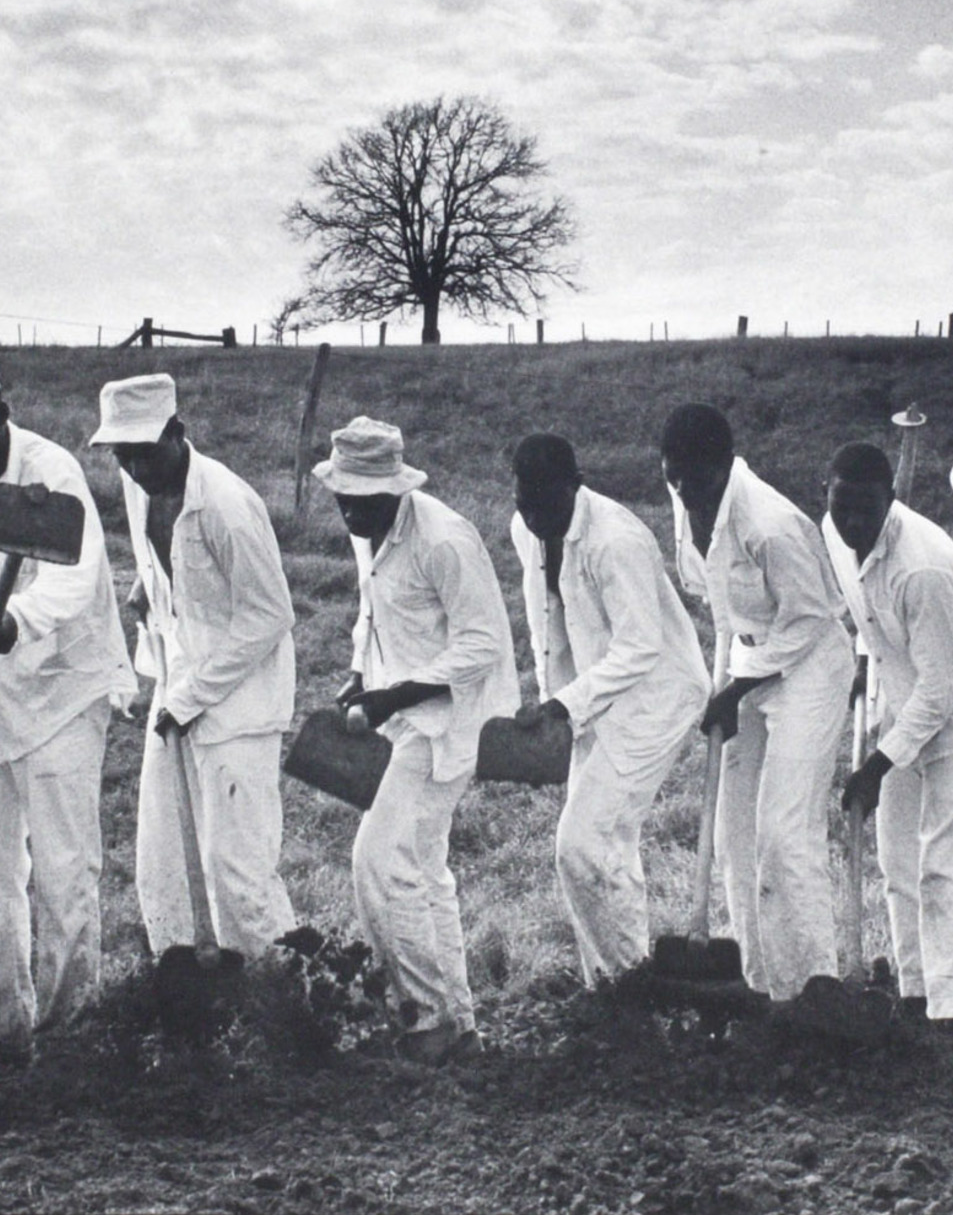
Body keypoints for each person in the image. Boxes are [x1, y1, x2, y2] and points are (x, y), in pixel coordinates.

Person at [0, 345, 138, 1066]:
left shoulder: (50, 473)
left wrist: (19, 620)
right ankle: (1, 1024)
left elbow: (79, 579)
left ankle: (72, 1032)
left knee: (66, 867)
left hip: (64, 687)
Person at [319, 417, 518, 1063]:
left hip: (446, 722)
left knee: (381, 858)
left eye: (362, 498)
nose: (349, 509)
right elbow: (371, 611)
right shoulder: (368, 528)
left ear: (395, 488)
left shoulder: (444, 539)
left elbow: (484, 640)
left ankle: (427, 1020)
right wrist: (358, 678)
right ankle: (457, 1026)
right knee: (424, 872)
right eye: (341, 496)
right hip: (400, 716)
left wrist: (398, 693)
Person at [89, 373, 298, 960]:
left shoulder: (227, 506)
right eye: (122, 456)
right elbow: (174, 565)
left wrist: (189, 697)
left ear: (177, 432)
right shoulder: (140, 487)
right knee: (165, 854)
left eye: (144, 453)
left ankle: (282, 995)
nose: (134, 468)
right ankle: (196, 986)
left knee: (237, 868)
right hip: (181, 681)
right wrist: (148, 587)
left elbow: (269, 616)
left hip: (240, 703)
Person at [659, 404, 857, 1000]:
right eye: (675, 479)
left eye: (697, 479)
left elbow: (809, 620)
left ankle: (813, 988)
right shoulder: (686, 497)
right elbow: (713, 594)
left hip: (809, 665)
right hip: (749, 656)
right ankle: (760, 985)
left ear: (724, 465)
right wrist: (734, 675)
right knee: (732, 834)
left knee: (784, 834)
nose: (686, 493)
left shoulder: (770, 524)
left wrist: (738, 689)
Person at [505, 433, 709, 987]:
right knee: (604, 843)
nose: (536, 517)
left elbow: (641, 647)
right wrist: (555, 708)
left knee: (582, 841)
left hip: (658, 695)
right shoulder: (527, 528)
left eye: (548, 504)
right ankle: (612, 987)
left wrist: (564, 706)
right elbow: (547, 623)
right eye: (525, 504)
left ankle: (629, 986)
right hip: (593, 696)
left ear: (576, 484)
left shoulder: (615, 541)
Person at [824, 442, 953, 1035]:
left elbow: (944, 689)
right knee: (898, 859)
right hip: (905, 704)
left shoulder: (920, 567)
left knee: (949, 862)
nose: (850, 523)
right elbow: (868, 615)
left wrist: (877, 765)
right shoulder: (836, 536)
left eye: (864, 511)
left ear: (890, 502)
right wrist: (863, 662)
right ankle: (915, 994)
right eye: (839, 507)